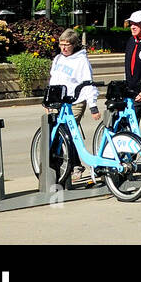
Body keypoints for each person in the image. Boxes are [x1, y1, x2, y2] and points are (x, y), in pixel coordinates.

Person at [47, 29, 100, 180]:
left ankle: (76, 165)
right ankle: (71, 165)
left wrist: (93, 106)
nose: (63, 48)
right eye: (61, 44)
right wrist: (48, 101)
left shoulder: (81, 60)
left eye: (67, 45)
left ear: (74, 45)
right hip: (59, 102)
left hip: (75, 102)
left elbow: (88, 84)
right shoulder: (58, 59)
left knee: (68, 133)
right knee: (62, 134)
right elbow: (53, 81)